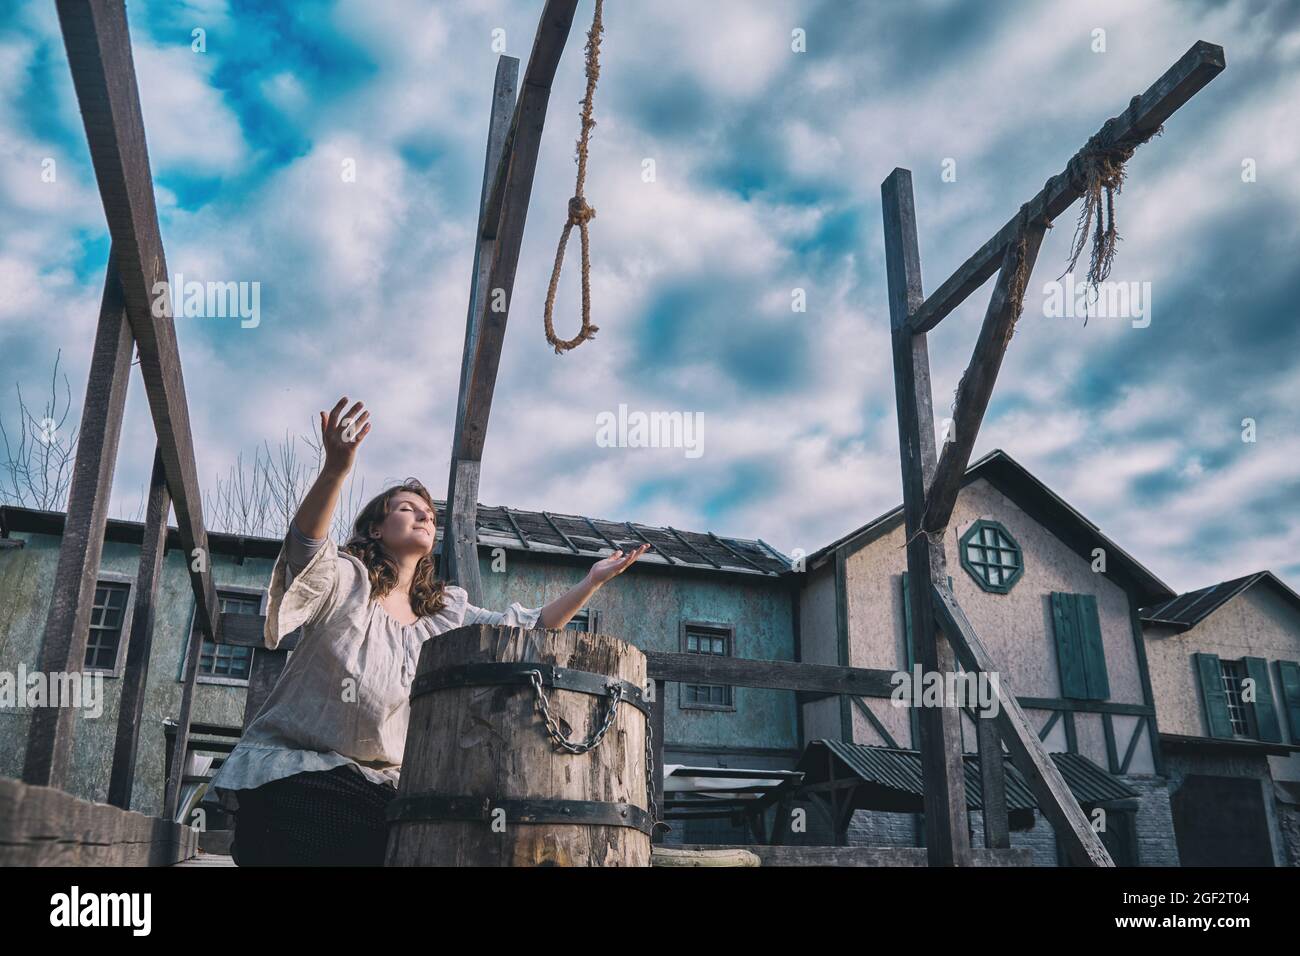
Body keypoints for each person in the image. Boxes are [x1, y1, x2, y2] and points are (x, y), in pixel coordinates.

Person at [207, 397, 649, 865]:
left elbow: (529, 628)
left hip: (383, 784)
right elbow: (305, 549)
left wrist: (591, 581)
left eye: (429, 515)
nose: (423, 516)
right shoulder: (345, 580)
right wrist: (336, 469)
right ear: (376, 529)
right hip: (301, 770)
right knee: (351, 832)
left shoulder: (444, 613)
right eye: (406, 508)